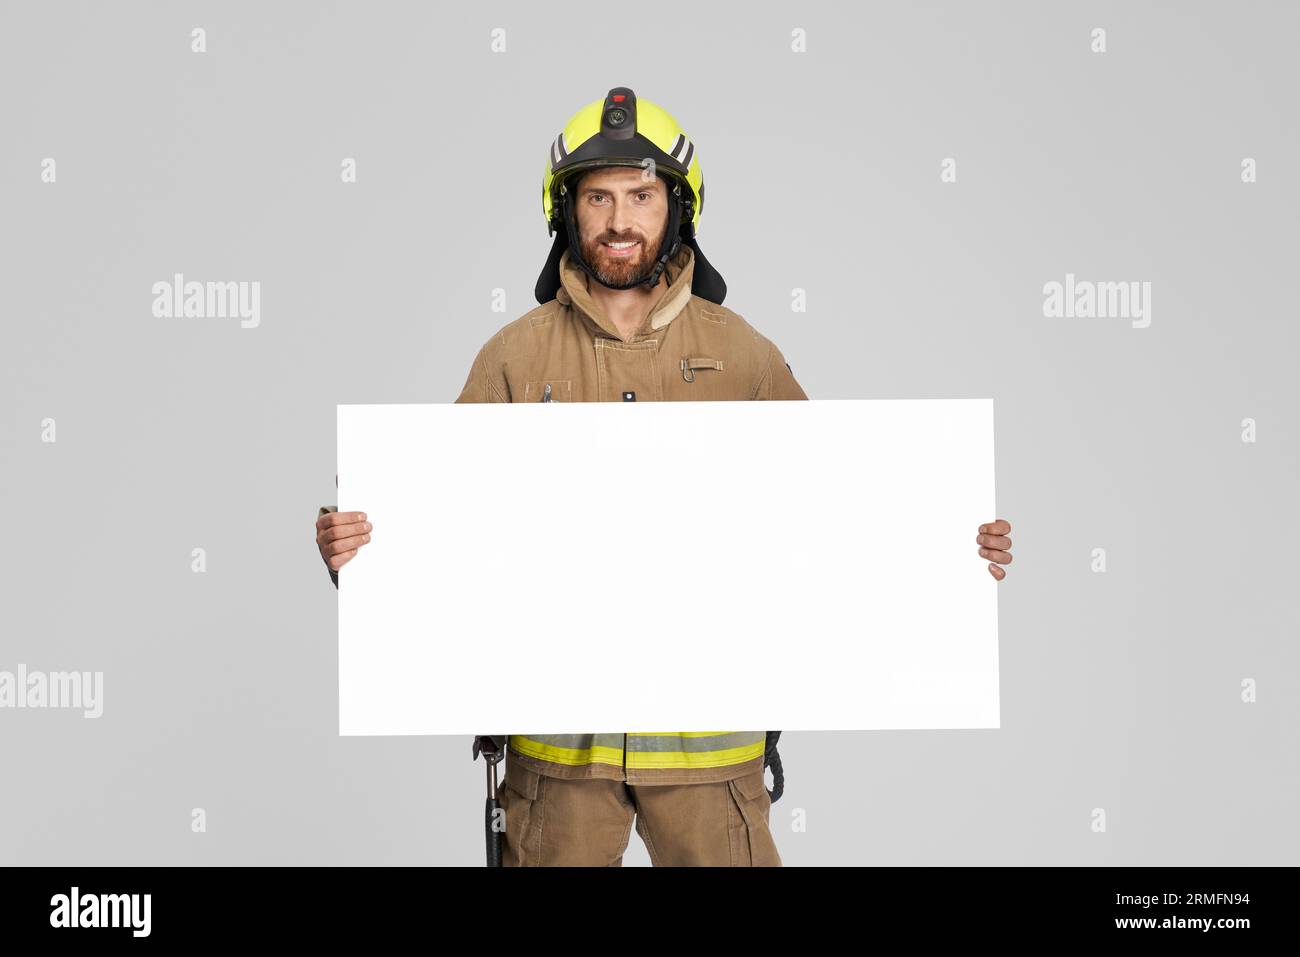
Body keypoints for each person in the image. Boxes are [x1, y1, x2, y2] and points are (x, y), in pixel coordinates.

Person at [315, 87, 1016, 866]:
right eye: (599, 197)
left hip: (711, 759)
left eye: (642, 196)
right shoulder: (513, 358)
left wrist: (948, 548)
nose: (620, 220)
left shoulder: (745, 354)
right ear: (566, 214)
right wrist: (357, 548)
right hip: (559, 760)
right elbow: (433, 523)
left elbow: (835, 511)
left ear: (677, 208)